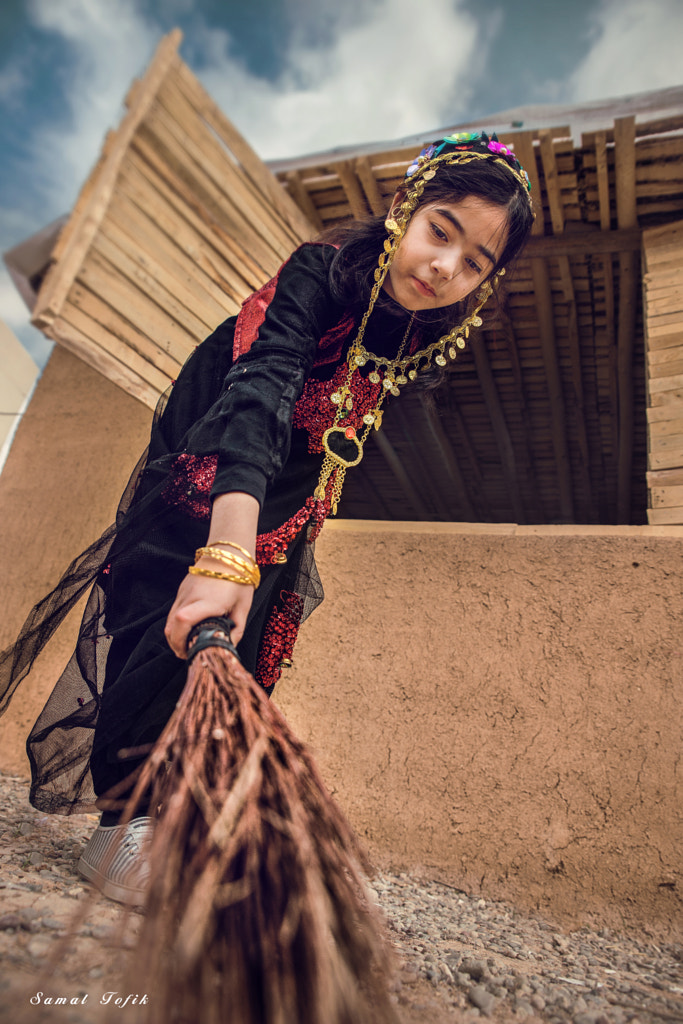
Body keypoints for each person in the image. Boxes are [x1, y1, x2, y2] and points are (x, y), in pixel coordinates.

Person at [0, 131, 534, 903]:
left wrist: (266, 549)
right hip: (210, 460)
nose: (445, 266)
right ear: (402, 211)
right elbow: (262, 390)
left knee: (237, 650)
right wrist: (223, 552)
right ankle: (122, 828)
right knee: (160, 614)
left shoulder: (417, 335)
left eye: (475, 262)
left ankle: (181, 816)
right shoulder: (319, 273)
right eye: (439, 231)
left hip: (288, 503)